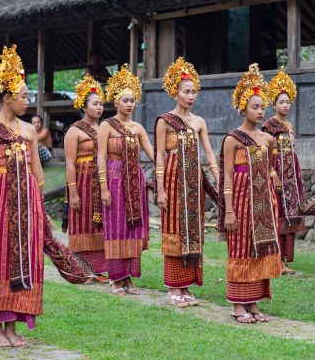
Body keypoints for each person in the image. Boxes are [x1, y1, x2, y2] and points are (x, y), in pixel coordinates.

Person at [0, 45, 46, 347]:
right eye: (24, 96)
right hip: (0, 203)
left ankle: (13, 326)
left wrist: (40, 212)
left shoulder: (30, 130)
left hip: (27, 203)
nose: (28, 101)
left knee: (24, 260)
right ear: (7, 99)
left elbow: (38, 175)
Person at [218, 64, 281, 323]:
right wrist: (229, 210)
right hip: (242, 201)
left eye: (262, 107)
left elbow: (268, 170)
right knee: (241, 247)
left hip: (263, 203)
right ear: (243, 107)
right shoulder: (233, 139)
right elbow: (228, 176)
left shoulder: (268, 139)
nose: (259, 111)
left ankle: (253, 302)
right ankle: (238, 305)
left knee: (260, 249)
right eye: (254, 106)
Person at [154, 58, 218, 307]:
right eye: (186, 92)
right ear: (175, 93)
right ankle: (174, 286)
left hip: (194, 181)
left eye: (194, 92)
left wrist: (218, 179)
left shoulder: (199, 122)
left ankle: (187, 284)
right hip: (171, 179)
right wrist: (159, 188)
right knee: (174, 229)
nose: (191, 96)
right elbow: (159, 155)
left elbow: (209, 153)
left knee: (193, 229)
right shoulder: (164, 121)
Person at [97, 64, 154, 295]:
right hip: (113, 179)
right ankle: (115, 277)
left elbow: (153, 155)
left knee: (132, 227)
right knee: (116, 226)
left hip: (135, 182)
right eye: (125, 100)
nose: (129, 104)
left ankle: (128, 277)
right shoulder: (106, 126)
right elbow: (100, 157)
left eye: (132, 100)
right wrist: (103, 187)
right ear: (116, 102)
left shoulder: (138, 128)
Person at [63, 74, 108, 280]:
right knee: (83, 222)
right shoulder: (75, 130)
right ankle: (82, 269)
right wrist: (73, 192)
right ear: (84, 105)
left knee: (100, 223)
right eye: (94, 104)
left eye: (101, 104)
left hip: (101, 182)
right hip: (82, 182)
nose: (99, 108)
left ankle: (100, 267)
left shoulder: (105, 129)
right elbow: (70, 163)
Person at [263, 68, 304, 275]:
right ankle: (275, 259)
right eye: (281, 102)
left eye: (288, 102)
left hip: (291, 175)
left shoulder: (288, 125)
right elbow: (265, 154)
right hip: (277, 172)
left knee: (290, 216)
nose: (285, 106)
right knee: (277, 215)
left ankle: (285, 260)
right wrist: (273, 175)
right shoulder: (269, 126)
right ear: (274, 104)